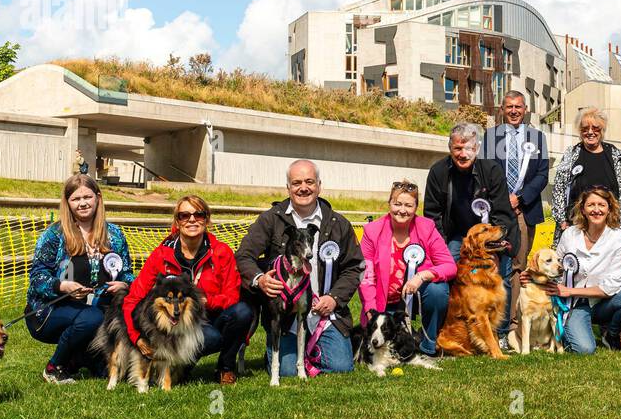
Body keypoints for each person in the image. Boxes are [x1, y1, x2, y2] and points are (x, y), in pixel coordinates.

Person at [235, 159, 362, 376]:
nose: (303, 187)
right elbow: (243, 255)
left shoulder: (338, 223)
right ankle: (294, 352)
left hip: (325, 315)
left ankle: (313, 349)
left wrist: (334, 298)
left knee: (341, 367)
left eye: (309, 181)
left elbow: (355, 267)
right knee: (286, 371)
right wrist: (260, 279)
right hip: (285, 317)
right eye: (296, 183)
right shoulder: (270, 219)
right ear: (288, 188)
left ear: (319, 185)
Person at [122, 195, 253, 384]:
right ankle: (177, 366)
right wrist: (136, 338)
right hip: (175, 325)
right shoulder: (161, 254)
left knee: (241, 312)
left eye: (199, 214)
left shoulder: (222, 252)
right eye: (184, 215)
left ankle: (225, 367)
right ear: (177, 221)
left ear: (207, 219)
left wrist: (207, 301)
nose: (192, 220)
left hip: (210, 317)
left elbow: (232, 296)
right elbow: (133, 298)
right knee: (208, 337)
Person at [26, 174, 134, 384]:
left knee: (106, 373)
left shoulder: (115, 234)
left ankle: (80, 358)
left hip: (101, 309)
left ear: (98, 198)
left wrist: (124, 283)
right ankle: (54, 367)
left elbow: (127, 272)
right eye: (76, 199)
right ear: (67, 203)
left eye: (88, 197)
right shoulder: (54, 235)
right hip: (51, 311)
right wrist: (63, 286)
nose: (83, 203)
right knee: (92, 318)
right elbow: (37, 279)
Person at [423, 122, 520, 348]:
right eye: (457, 148)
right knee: (447, 280)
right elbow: (432, 215)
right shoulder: (438, 172)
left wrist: (498, 250)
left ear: (477, 149)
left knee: (501, 276)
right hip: (455, 236)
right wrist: (439, 249)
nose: (463, 154)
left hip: (490, 234)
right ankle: (445, 328)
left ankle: (500, 334)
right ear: (450, 148)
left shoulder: (492, 171)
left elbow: (504, 214)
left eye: (468, 148)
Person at [535, 186, 621, 353]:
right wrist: (533, 276)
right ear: (583, 209)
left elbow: (612, 286)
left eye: (601, 205)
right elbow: (555, 264)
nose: (596, 210)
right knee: (584, 350)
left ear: (609, 208)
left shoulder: (619, 238)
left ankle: (611, 333)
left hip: (604, 303)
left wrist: (570, 290)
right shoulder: (569, 234)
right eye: (591, 205)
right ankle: (572, 328)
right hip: (574, 305)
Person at [359, 179, 457, 356]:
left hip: (415, 298)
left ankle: (428, 345)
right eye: (397, 204)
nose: (402, 210)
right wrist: (371, 312)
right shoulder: (372, 231)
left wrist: (422, 276)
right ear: (389, 203)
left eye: (408, 205)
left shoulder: (427, 227)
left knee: (438, 291)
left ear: (416, 207)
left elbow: (450, 266)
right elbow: (365, 277)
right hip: (384, 303)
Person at [483, 91, 549, 339]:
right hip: (496, 213)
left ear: (525, 109)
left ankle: (511, 326)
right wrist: (503, 201)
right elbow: (485, 171)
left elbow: (542, 174)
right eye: (509, 106)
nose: (513, 111)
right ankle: (490, 321)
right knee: (494, 266)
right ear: (502, 108)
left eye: (518, 107)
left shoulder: (537, 138)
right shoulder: (491, 137)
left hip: (524, 210)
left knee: (517, 267)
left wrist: (520, 199)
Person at [550, 107, 621, 243]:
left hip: (611, 227)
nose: (590, 132)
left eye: (595, 128)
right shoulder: (570, 155)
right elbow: (559, 188)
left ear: (603, 130)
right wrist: (561, 220)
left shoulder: (618, 157)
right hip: (576, 227)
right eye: (584, 129)